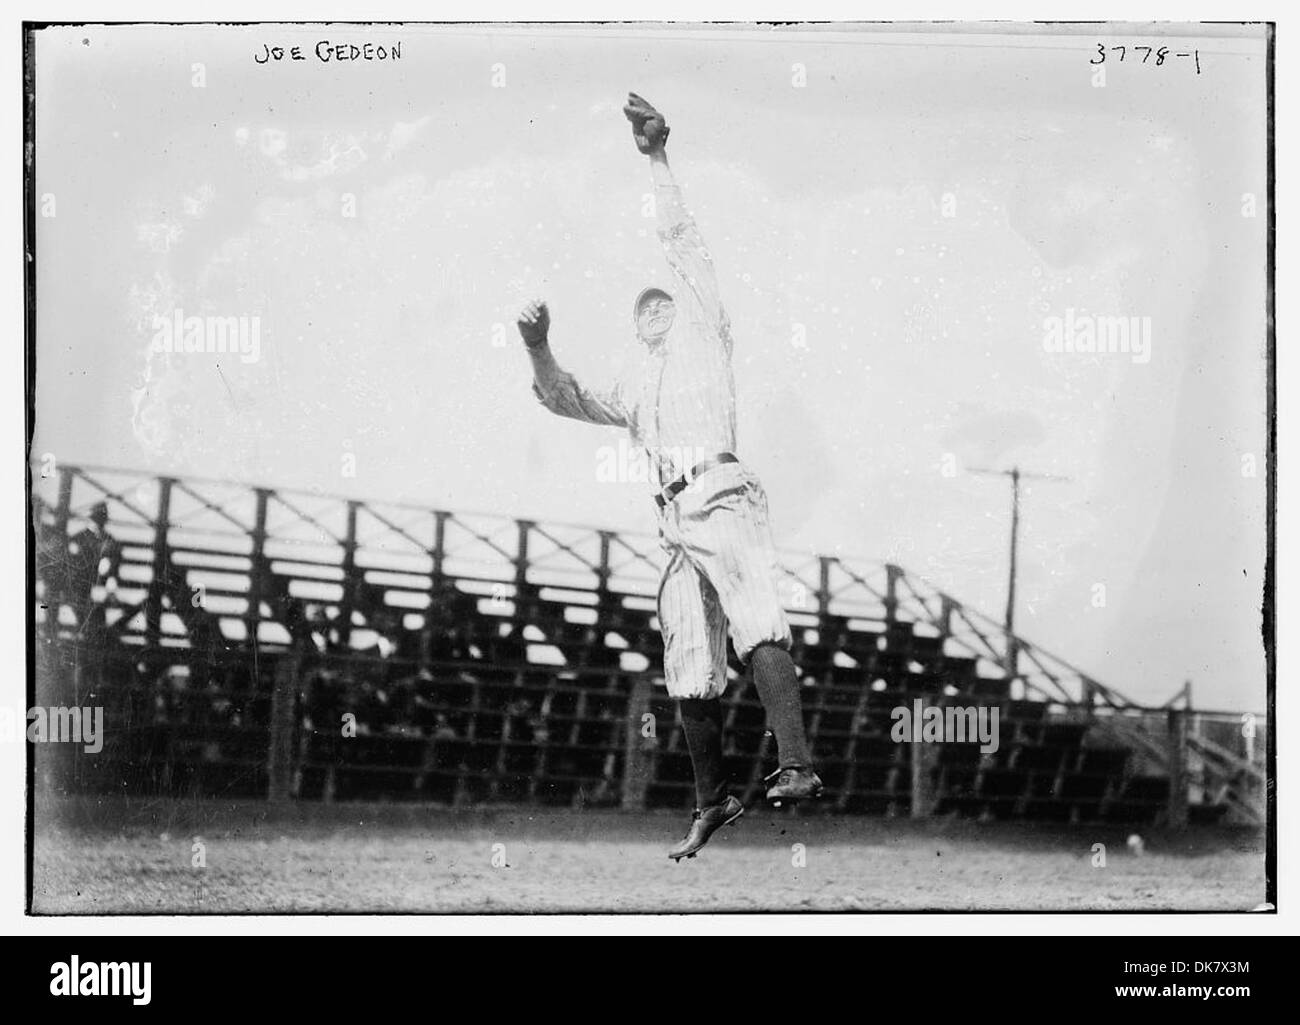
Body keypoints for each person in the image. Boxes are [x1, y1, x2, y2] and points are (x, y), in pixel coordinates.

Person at [517, 93, 822, 861]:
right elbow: (561, 395)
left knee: (757, 619)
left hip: (723, 492)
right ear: (634, 323)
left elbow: (682, 241)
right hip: (676, 524)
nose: (654, 309)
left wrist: (656, 159)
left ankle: (797, 765)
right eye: (641, 306)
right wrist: (538, 345)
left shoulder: (706, 334)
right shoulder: (632, 384)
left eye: (662, 300)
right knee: (690, 663)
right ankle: (714, 796)